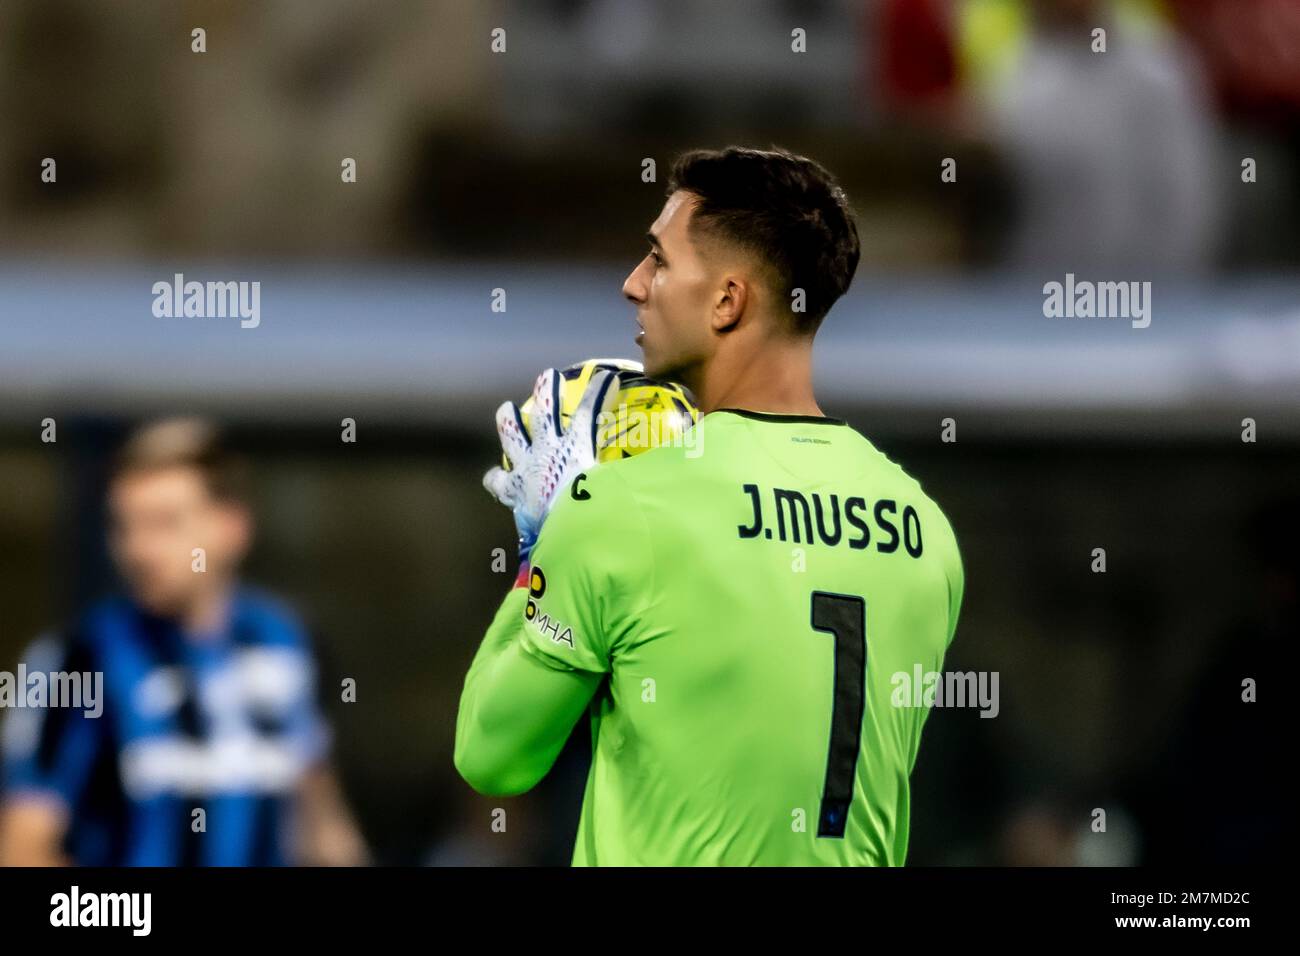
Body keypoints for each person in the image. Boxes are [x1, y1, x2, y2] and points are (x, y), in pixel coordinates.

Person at [457, 146, 964, 865]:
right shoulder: (924, 530)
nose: (634, 284)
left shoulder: (618, 511)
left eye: (659, 260)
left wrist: (544, 542)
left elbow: (492, 755)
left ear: (728, 300)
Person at [0, 418, 367, 866]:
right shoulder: (76, 659)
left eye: (165, 523)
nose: (139, 550)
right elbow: (23, 849)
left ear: (232, 527)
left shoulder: (287, 641)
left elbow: (320, 820)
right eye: (125, 526)